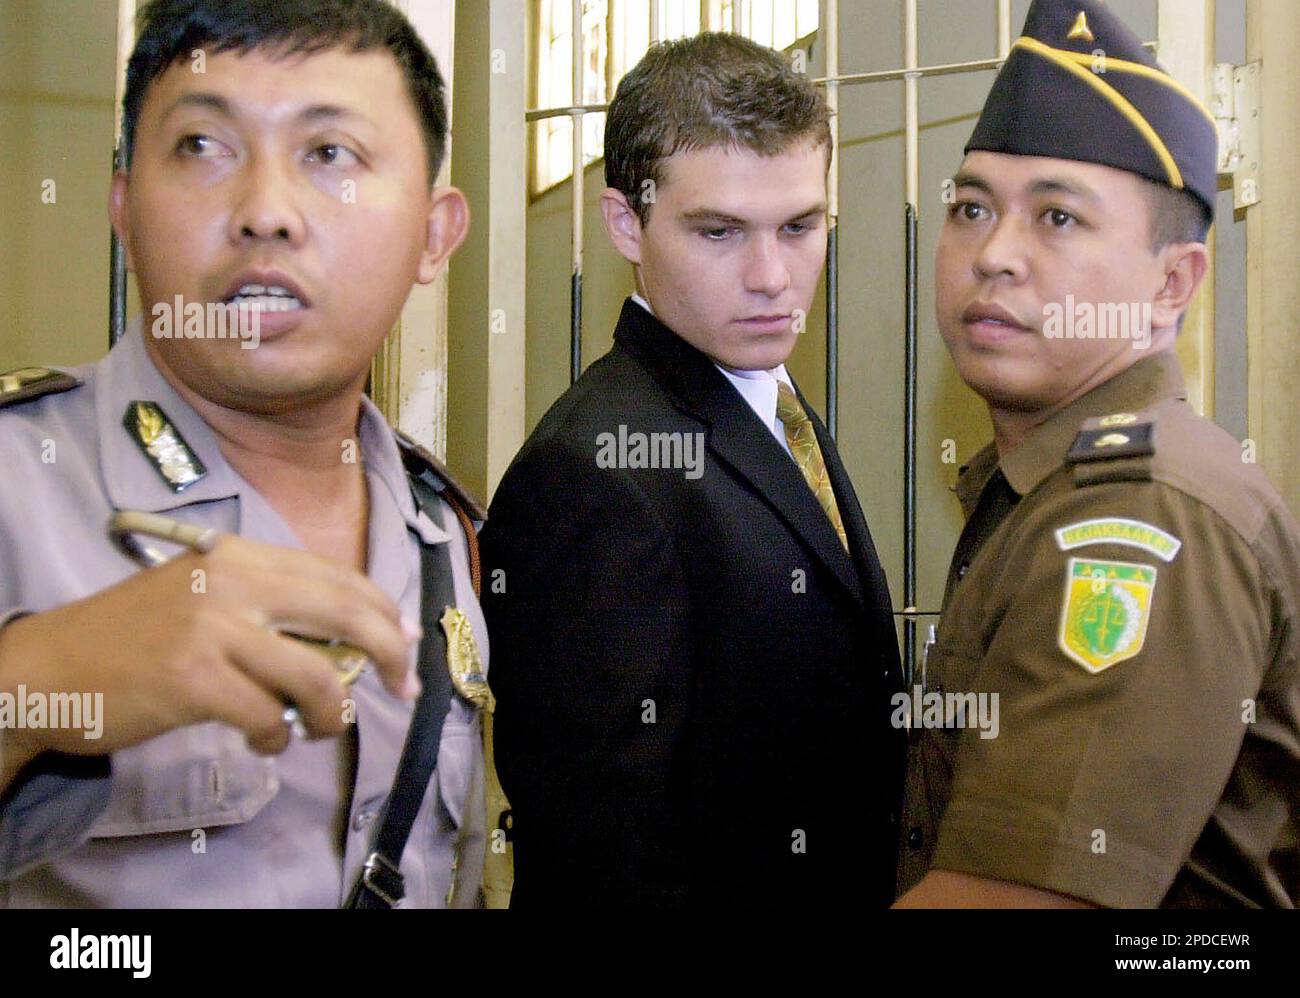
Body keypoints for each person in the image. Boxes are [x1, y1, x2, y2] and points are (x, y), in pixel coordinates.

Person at [0, 0, 487, 908]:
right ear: (122, 207)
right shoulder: (17, 487)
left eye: (330, 154)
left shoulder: (447, 531)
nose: (265, 211)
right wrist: (26, 689)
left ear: (433, 233)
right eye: (201, 146)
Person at [480, 33, 904, 907]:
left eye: (800, 227)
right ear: (624, 224)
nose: (770, 276)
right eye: (719, 231)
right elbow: (602, 861)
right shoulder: (591, 473)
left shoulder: (767, 403)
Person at [895, 0, 1300, 907]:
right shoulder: (1041, 488)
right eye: (970, 208)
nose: (993, 254)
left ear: (1171, 284)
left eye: (1059, 220)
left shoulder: (1141, 514)